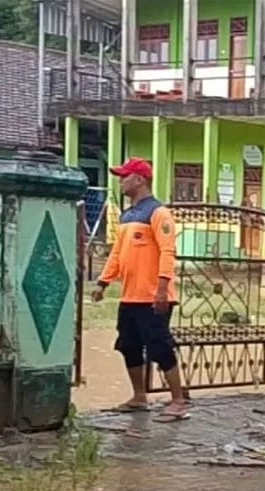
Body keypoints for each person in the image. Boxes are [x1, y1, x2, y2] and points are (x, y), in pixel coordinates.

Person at [91, 157, 188, 422]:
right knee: (129, 345)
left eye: (125, 176)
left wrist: (162, 288)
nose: (121, 181)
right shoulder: (126, 216)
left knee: (160, 346)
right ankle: (139, 396)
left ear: (139, 179)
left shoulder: (158, 213)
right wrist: (103, 282)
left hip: (153, 296)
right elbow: (117, 254)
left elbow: (168, 252)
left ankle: (178, 399)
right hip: (130, 296)